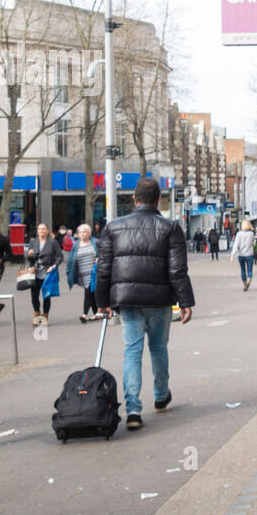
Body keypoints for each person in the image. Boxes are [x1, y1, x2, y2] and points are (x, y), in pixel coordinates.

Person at [95, 178, 194, 430]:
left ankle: (133, 410)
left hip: (127, 299)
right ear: (158, 199)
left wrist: (102, 302)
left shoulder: (113, 228)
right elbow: (177, 270)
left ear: (134, 199)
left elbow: (104, 268)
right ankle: (161, 396)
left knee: (132, 351)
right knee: (159, 348)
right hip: (159, 300)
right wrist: (185, 302)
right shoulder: (170, 227)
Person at [23, 223, 62, 326]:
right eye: (40, 229)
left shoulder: (53, 242)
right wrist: (29, 255)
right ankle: (37, 314)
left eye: (44, 229)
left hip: (48, 273)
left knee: (46, 296)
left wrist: (54, 266)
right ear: (37, 231)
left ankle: (44, 316)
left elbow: (60, 256)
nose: (42, 231)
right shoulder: (33, 242)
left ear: (47, 231)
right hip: (35, 273)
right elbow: (28, 258)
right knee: (34, 296)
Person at [67, 223, 100, 322]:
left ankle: (84, 314)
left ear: (89, 233)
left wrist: (99, 258)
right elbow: (71, 259)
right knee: (91, 292)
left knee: (88, 292)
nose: (81, 234)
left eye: (84, 232)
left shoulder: (96, 242)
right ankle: (96, 313)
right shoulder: (76, 244)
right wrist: (69, 271)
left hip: (94, 272)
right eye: (80, 232)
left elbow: (104, 253)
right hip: (82, 272)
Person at [231, 219, 256, 290]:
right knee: (250, 270)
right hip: (249, 254)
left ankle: (245, 284)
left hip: (241, 255)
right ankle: (248, 282)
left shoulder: (239, 234)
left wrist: (232, 255)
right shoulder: (251, 234)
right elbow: (253, 243)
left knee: (242, 270)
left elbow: (236, 245)